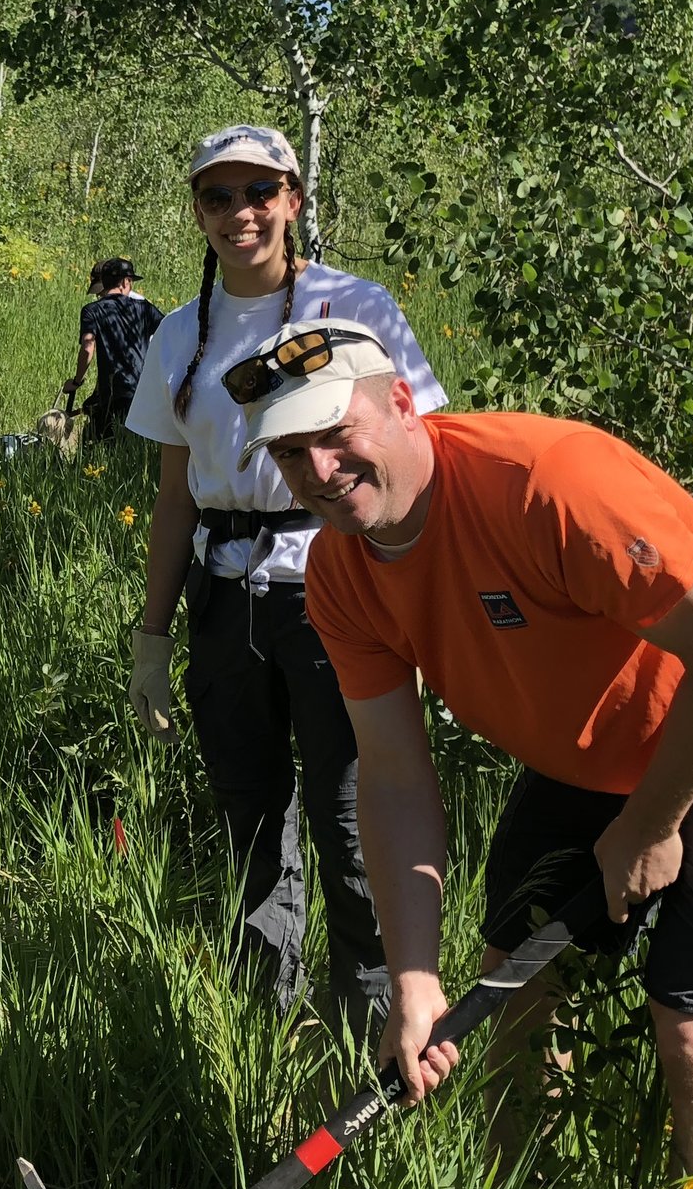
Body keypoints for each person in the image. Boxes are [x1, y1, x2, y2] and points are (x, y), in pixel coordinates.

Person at [244, 324, 693, 1189]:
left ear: (401, 404)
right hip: (591, 751)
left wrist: (652, 824)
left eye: (333, 432)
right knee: (509, 984)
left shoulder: (544, 485)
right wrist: (413, 980)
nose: (318, 468)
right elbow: (392, 779)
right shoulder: (342, 576)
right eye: (288, 452)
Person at [125, 125, 446, 1033]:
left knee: (352, 813)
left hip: (338, 580)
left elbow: (424, 454)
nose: (241, 214)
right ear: (198, 212)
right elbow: (176, 497)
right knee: (251, 814)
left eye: (260, 193)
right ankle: (269, 1023)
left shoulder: (358, 307)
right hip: (225, 595)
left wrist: (424, 602)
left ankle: (375, 1029)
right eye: (219, 198)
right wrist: (155, 634)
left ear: (294, 200)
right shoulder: (181, 334)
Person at [64, 256, 163, 442]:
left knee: (101, 444)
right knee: (134, 446)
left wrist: (76, 382)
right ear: (126, 281)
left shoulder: (92, 310)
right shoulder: (144, 308)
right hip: (142, 391)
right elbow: (169, 335)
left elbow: (87, 348)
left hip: (110, 395)